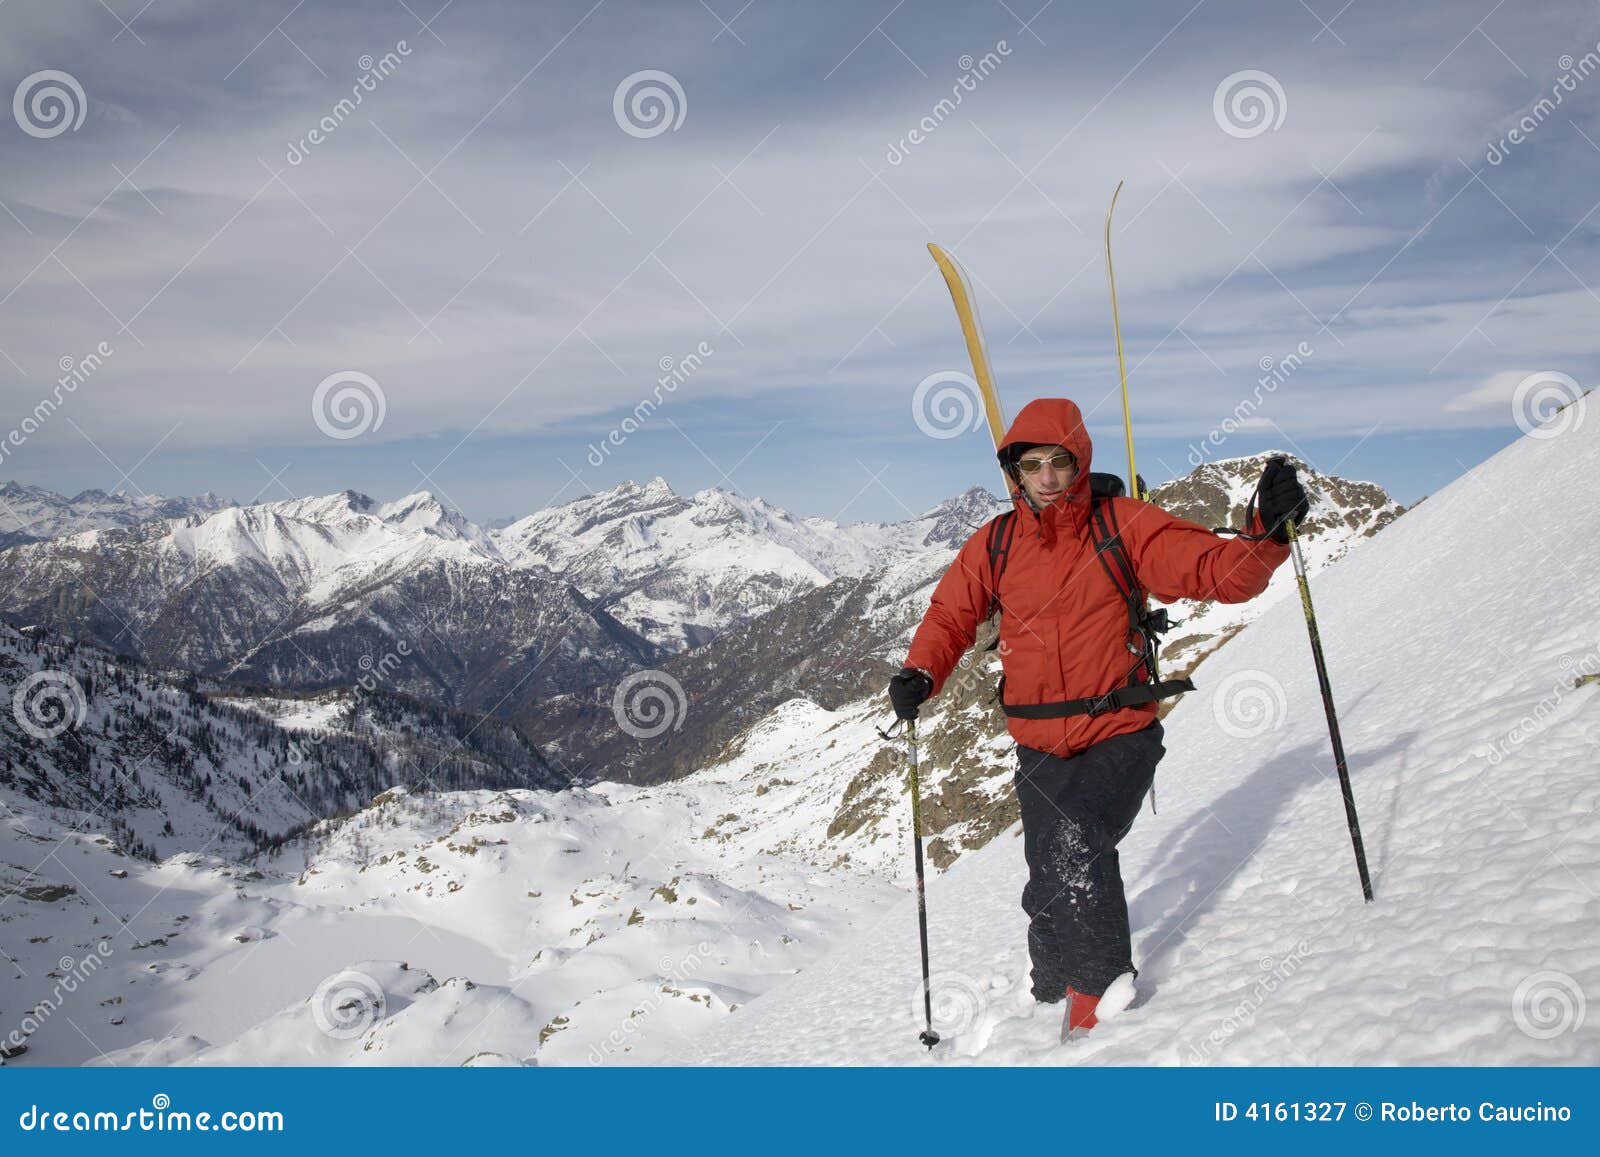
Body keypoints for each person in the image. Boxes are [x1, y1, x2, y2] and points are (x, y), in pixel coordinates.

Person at [886, 397, 1306, 1041]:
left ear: (1079, 462)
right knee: (1045, 877)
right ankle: (1048, 989)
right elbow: (951, 615)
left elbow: (1213, 571)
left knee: (1075, 843)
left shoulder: (1124, 525)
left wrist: (1267, 536)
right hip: (1037, 743)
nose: (1048, 476)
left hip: (1120, 731)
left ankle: (1099, 1010)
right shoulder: (995, 544)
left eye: (1061, 461)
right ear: (1015, 472)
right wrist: (922, 671)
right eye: (1034, 464)